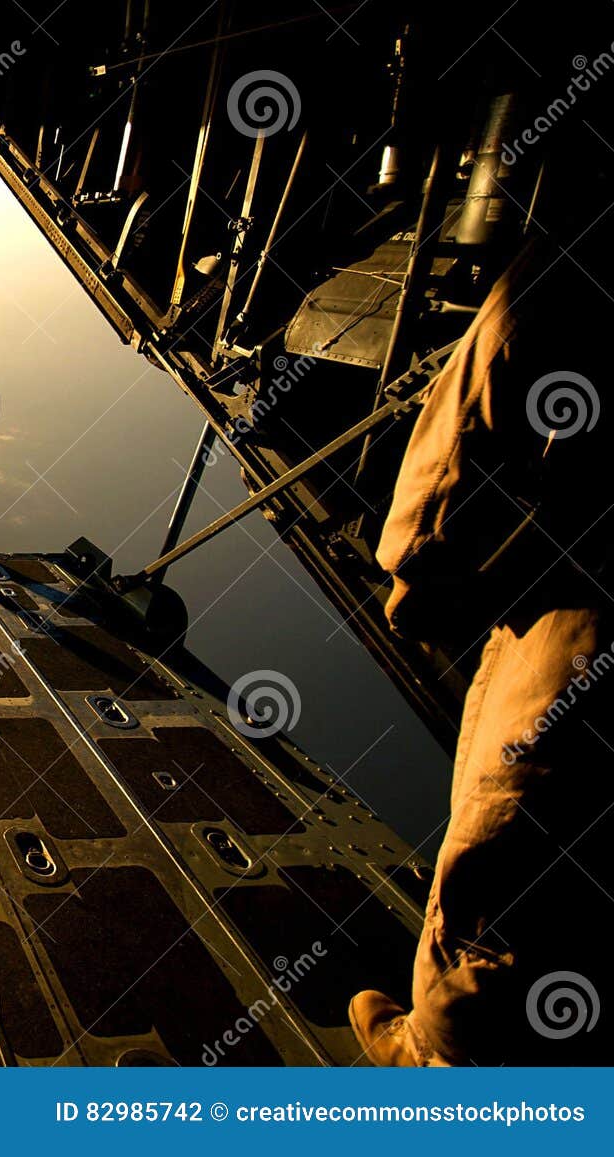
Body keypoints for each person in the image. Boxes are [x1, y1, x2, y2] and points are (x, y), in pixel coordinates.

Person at [350, 238, 613, 1065]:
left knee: (517, 821)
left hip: (586, 589)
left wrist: (417, 567)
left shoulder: (582, 245)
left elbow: (493, 369)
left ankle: (441, 1058)